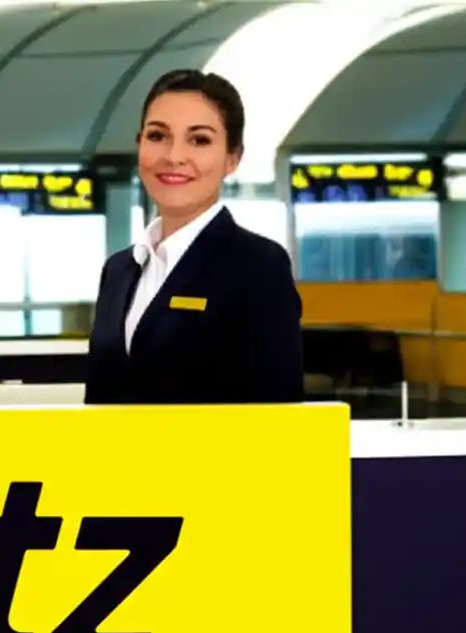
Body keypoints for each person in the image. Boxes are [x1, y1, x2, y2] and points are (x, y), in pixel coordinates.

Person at [83, 69, 304, 405]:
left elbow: (278, 413)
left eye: (199, 140)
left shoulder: (258, 266)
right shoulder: (118, 270)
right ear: (139, 145)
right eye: (157, 136)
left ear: (233, 158)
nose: (174, 156)